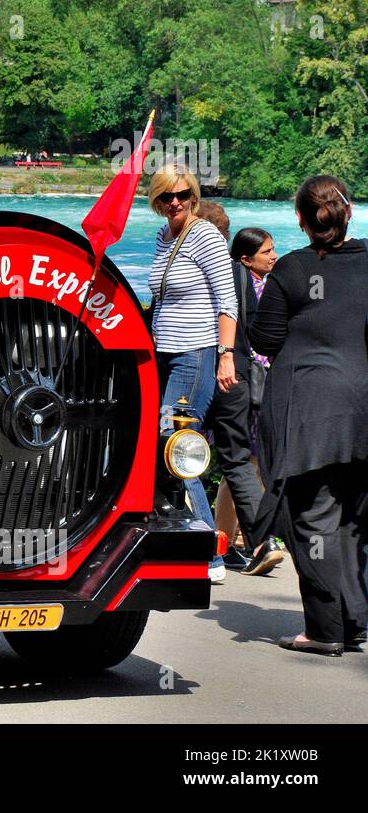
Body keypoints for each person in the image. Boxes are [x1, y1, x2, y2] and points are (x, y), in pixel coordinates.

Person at [249, 176, 368, 657]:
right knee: (355, 521)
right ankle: (355, 621)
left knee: (313, 518)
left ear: (300, 220)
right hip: (364, 412)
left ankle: (324, 630)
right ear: (349, 212)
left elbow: (264, 340)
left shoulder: (293, 271)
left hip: (312, 416)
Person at [146, 164, 238, 585]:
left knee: (176, 445)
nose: (176, 202)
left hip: (195, 354)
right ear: (157, 200)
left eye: (183, 194)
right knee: (158, 443)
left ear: (194, 194)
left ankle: (209, 554)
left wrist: (225, 355)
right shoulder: (163, 238)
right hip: (162, 354)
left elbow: (227, 301)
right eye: (167, 196)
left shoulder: (204, 236)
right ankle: (170, 539)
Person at [197, 212, 288, 576]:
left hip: (207, 369)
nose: (274, 255)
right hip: (240, 375)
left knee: (178, 458)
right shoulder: (239, 276)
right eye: (267, 250)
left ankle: (213, 550)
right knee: (239, 461)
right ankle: (256, 541)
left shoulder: (209, 269)